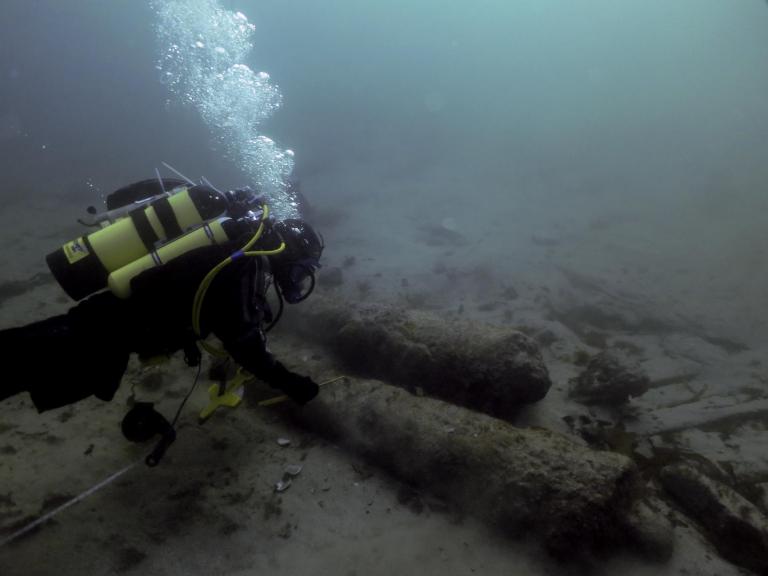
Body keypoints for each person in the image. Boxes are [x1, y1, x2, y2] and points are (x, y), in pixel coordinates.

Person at [0, 178, 323, 418]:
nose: (295, 281)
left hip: (108, 323)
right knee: (17, 363)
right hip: (105, 333)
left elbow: (193, 290)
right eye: (299, 271)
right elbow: (243, 342)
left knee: (25, 364)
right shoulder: (244, 263)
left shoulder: (231, 243)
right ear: (288, 254)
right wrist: (290, 383)